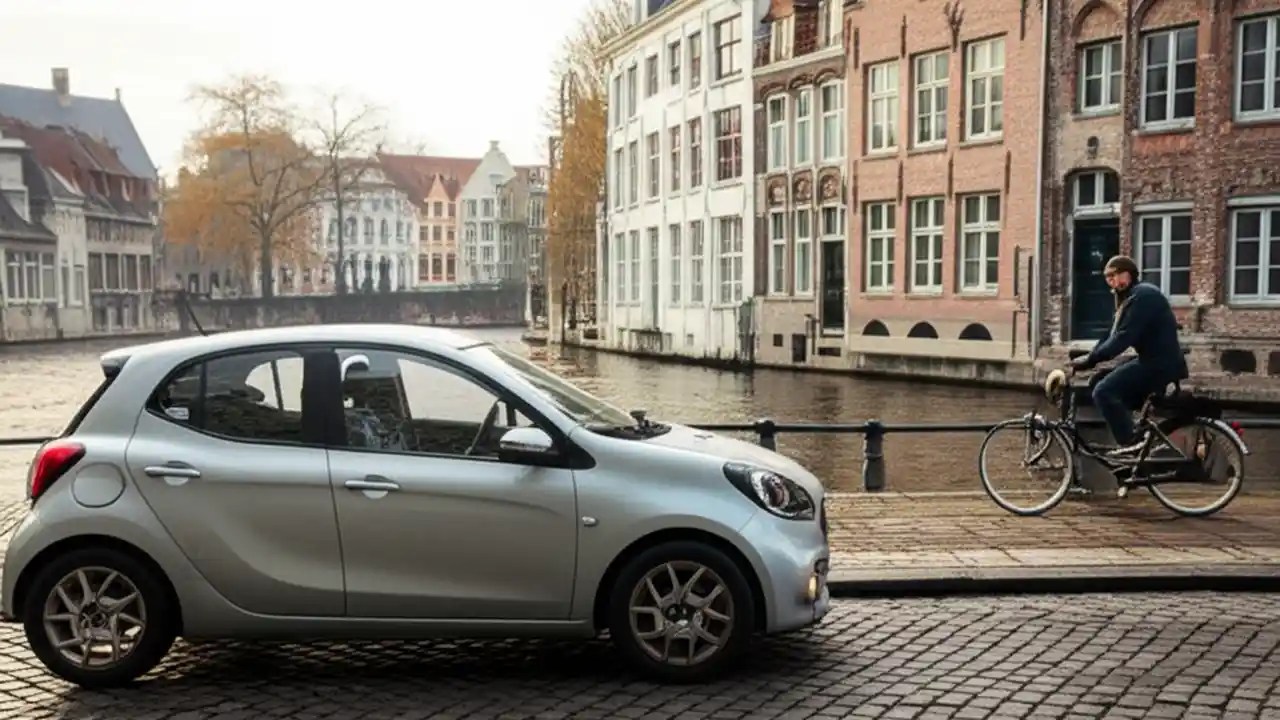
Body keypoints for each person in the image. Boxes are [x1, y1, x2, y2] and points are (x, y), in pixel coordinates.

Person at [1069, 255, 1188, 456]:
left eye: (1116, 275)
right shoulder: (1131, 298)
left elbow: (1123, 338)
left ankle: (1130, 445)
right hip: (1154, 360)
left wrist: (1091, 360)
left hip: (1160, 364)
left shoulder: (1142, 297)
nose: (1112, 281)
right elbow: (1111, 334)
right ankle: (1139, 430)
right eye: (1108, 278)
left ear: (1129, 274)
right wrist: (1090, 355)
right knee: (1097, 381)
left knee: (1103, 392)